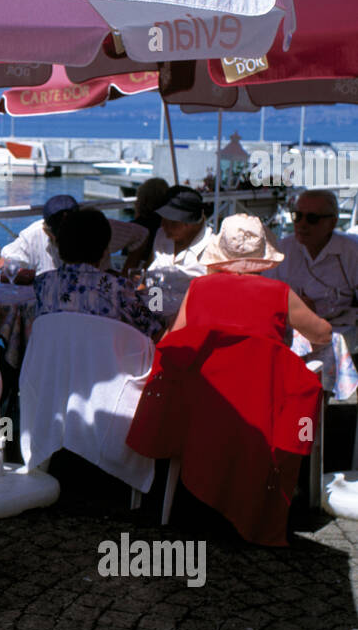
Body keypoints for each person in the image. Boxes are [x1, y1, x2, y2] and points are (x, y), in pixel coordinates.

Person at [127, 215, 331, 547]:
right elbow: (322, 333)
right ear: (263, 257)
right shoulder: (280, 292)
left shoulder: (199, 288)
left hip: (202, 407)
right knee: (302, 389)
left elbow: (175, 341)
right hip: (258, 409)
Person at [33, 207, 165, 341]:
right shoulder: (117, 287)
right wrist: (157, 294)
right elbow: (154, 331)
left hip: (56, 359)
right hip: (108, 361)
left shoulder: (43, 284)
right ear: (104, 251)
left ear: (60, 247)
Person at [267, 189, 358, 339]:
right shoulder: (282, 250)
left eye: (312, 218)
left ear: (332, 222)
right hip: (293, 332)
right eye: (297, 216)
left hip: (342, 332)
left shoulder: (352, 251)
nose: (302, 224)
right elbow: (268, 298)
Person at [0, 193, 147, 284]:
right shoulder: (117, 289)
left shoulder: (45, 286)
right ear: (46, 229)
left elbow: (142, 234)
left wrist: (126, 274)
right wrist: (17, 274)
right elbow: (0, 259)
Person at [142, 185, 214, 318]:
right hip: (153, 313)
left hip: (187, 321)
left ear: (193, 223)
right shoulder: (161, 235)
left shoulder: (212, 247)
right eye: (163, 219)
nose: (164, 226)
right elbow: (148, 273)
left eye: (172, 223)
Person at [122, 177, 172, 272]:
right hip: (160, 270)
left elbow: (126, 258)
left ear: (142, 199)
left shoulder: (135, 228)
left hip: (135, 272)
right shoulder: (169, 226)